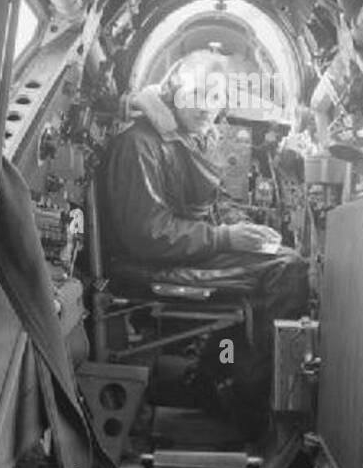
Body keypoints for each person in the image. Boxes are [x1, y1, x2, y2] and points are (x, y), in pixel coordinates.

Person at [96, 50, 309, 436]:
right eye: (196, 95)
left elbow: (210, 204)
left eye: (215, 98)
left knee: (282, 258)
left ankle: (213, 377)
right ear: (173, 90)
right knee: (286, 270)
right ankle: (251, 406)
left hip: (176, 249)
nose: (206, 107)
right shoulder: (139, 145)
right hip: (145, 264)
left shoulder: (190, 138)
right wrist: (225, 237)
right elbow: (148, 234)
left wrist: (244, 230)